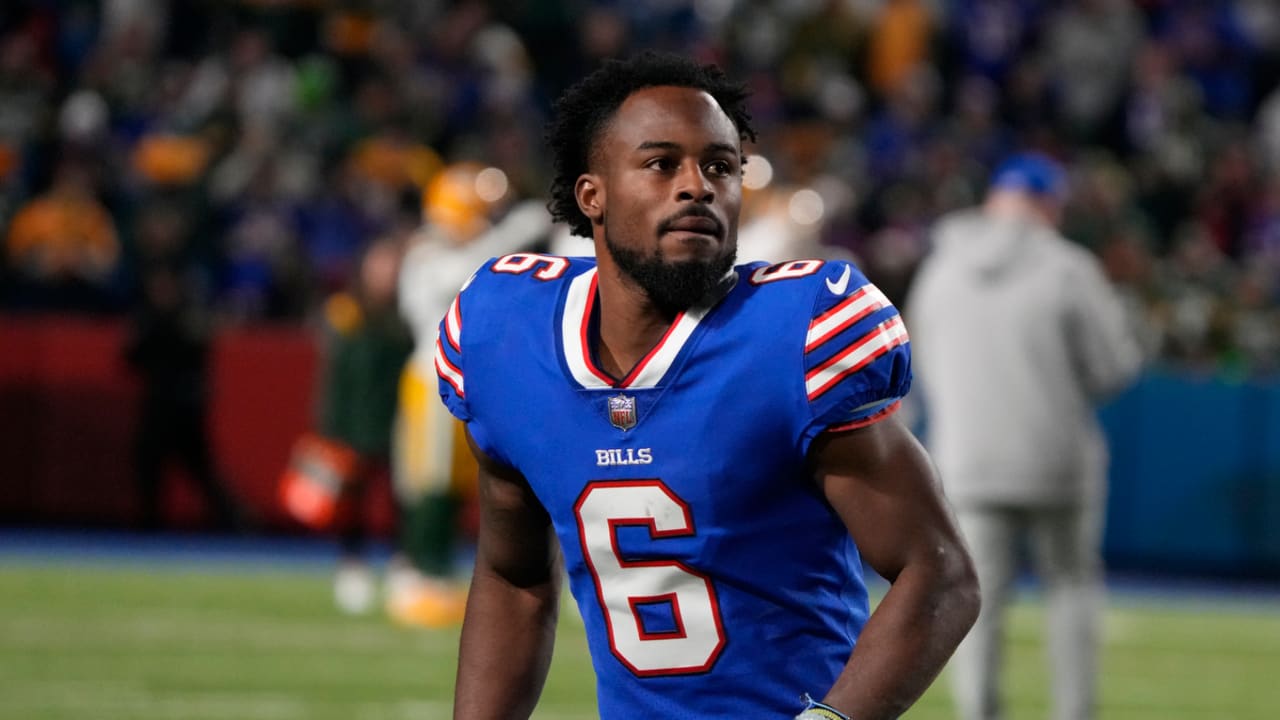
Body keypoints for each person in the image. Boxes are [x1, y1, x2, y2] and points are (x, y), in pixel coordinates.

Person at [438, 52, 980, 720]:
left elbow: (941, 570)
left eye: (721, 165)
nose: (697, 186)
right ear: (592, 196)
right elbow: (514, 578)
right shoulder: (505, 337)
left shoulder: (796, 335)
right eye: (661, 163)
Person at [905, 153, 1143, 720]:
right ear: (1048, 203)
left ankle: (979, 712)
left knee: (975, 601)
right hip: (1056, 461)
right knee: (1070, 591)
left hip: (965, 460)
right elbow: (1111, 370)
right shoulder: (1068, 268)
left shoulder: (941, 268)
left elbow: (914, 367)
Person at [387, 161, 551, 627]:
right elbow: (460, 276)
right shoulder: (428, 251)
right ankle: (419, 573)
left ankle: (438, 571)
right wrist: (514, 234)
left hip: (466, 382)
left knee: (460, 483)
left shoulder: (460, 247)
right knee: (430, 481)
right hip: (430, 376)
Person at [316, 237, 415, 614]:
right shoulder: (345, 312)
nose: (385, 274)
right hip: (354, 423)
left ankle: (401, 566)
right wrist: (329, 428)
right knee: (350, 502)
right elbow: (334, 377)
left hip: (397, 421)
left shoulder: (406, 313)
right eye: (379, 266)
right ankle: (351, 567)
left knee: (402, 501)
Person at [124, 263, 247, 532]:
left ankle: (237, 523)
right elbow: (130, 359)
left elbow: (198, 351)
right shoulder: (149, 318)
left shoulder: (187, 318)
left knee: (201, 471)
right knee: (149, 469)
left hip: (185, 410)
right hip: (156, 409)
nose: (162, 291)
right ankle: (147, 529)